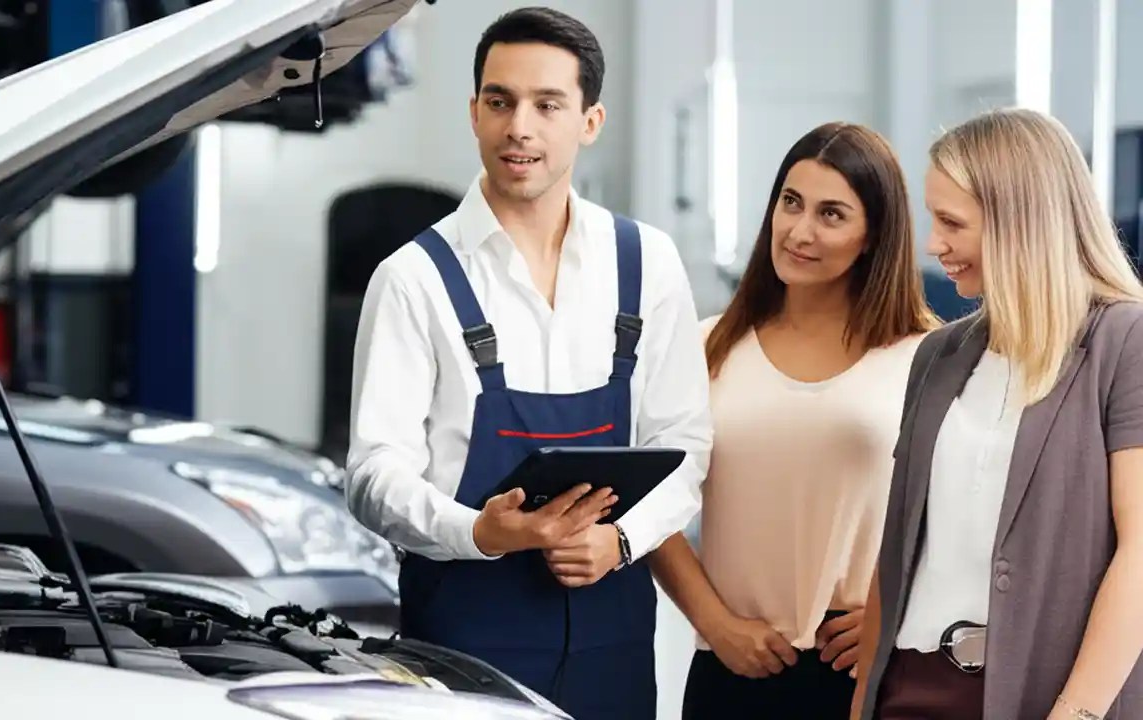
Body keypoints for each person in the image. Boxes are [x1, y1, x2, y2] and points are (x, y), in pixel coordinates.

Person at [343, 7, 712, 719]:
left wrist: (621, 541)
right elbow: (372, 474)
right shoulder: (414, 278)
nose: (520, 126)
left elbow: (687, 449)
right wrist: (480, 532)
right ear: (474, 114)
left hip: (616, 646)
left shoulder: (647, 265)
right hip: (463, 650)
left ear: (589, 122)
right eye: (500, 101)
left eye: (548, 105)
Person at [851, 108, 1143, 720]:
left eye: (952, 223)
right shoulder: (940, 353)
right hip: (911, 687)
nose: (934, 245)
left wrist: (1078, 713)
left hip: (1049, 696)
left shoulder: (1124, 340)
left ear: (1021, 223)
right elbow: (899, 541)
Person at [648, 121, 940, 719]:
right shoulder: (706, 348)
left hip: (866, 668)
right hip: (731, 665)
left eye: (832, 214)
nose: (799, 231)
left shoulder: (928, 356)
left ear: (873, 235)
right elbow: (652, 505)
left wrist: (900, 610)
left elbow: (967, 513)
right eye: (790, 203)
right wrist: (714, 622)